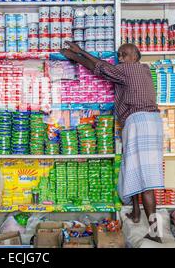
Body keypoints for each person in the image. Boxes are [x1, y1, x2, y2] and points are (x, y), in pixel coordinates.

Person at [61, 41, 164, 243]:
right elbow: (104, 69)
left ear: (136, 56)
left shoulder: (131, 70)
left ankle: (155, 233)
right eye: (119, 55)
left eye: (125, 54)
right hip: (141, 122)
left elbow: (100, 67)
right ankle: (135, 214)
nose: (121, 58)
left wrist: (79, 53)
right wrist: (79, 56)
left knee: (146, 180)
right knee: (132, 169)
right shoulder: (140, 70)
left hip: (141, 122)